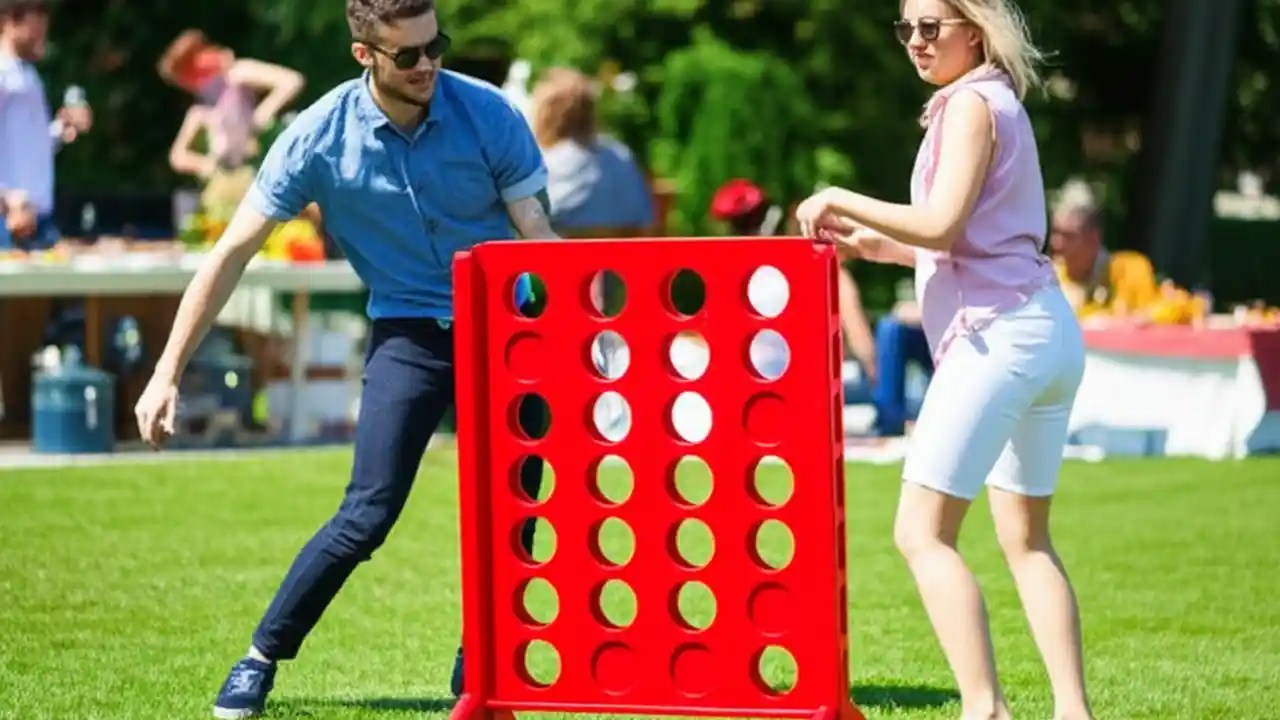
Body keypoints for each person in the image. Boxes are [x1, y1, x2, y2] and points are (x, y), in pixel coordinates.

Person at [132, 1, 558, 717]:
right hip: (410, 332)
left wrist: (595, 341)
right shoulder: (317, 139)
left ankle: (480, 667)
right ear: (365, 55)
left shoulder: (489, 114)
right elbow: (232, 252)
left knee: (513, 509)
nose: (428, 66)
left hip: (509, 327)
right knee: (368, 511)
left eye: (435, 47)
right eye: (408, 56)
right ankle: (259, 658)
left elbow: (538, 234)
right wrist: (166, 371)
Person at [794, 2, 1093, 719]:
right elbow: (963, 239)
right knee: (1027, 541)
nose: (917, 42)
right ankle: (1073, 712)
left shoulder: (968, 107)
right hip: (1044, 329)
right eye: (907, 29)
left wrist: (843, 199)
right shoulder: (995, 101)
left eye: (933, 26)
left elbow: (941, 224)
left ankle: (985, 709)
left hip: (998, 339)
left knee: (920, 533)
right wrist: (877, 246)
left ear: (976, 28)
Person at [158, 29, 305, 214]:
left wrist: (260, 116)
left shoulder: (237, 74)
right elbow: (177, 155)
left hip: (257, 170)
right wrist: (204, 165)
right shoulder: (202, 110)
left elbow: (291, 81)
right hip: (223, 180)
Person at [0, 0, 92, 251]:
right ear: (9, 21)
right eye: (35, 28)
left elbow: (28, 148)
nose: (42, 36)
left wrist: (60, 129)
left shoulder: (27, 75)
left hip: (37, 221)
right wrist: (7, 198)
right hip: (7, 221)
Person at [530, 66, 655, 236]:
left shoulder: (542, 164)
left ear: (546, 113)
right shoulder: (620, 156)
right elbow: (645, 221)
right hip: (619, 258)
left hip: (557, 259)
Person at [1049, 179, 1158, 321]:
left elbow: (1163, 310)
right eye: (1055, 232)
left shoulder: (1129, 271)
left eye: (1069, 236)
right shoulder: (1046, 280)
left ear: (1094, 238)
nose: (1057, 244)